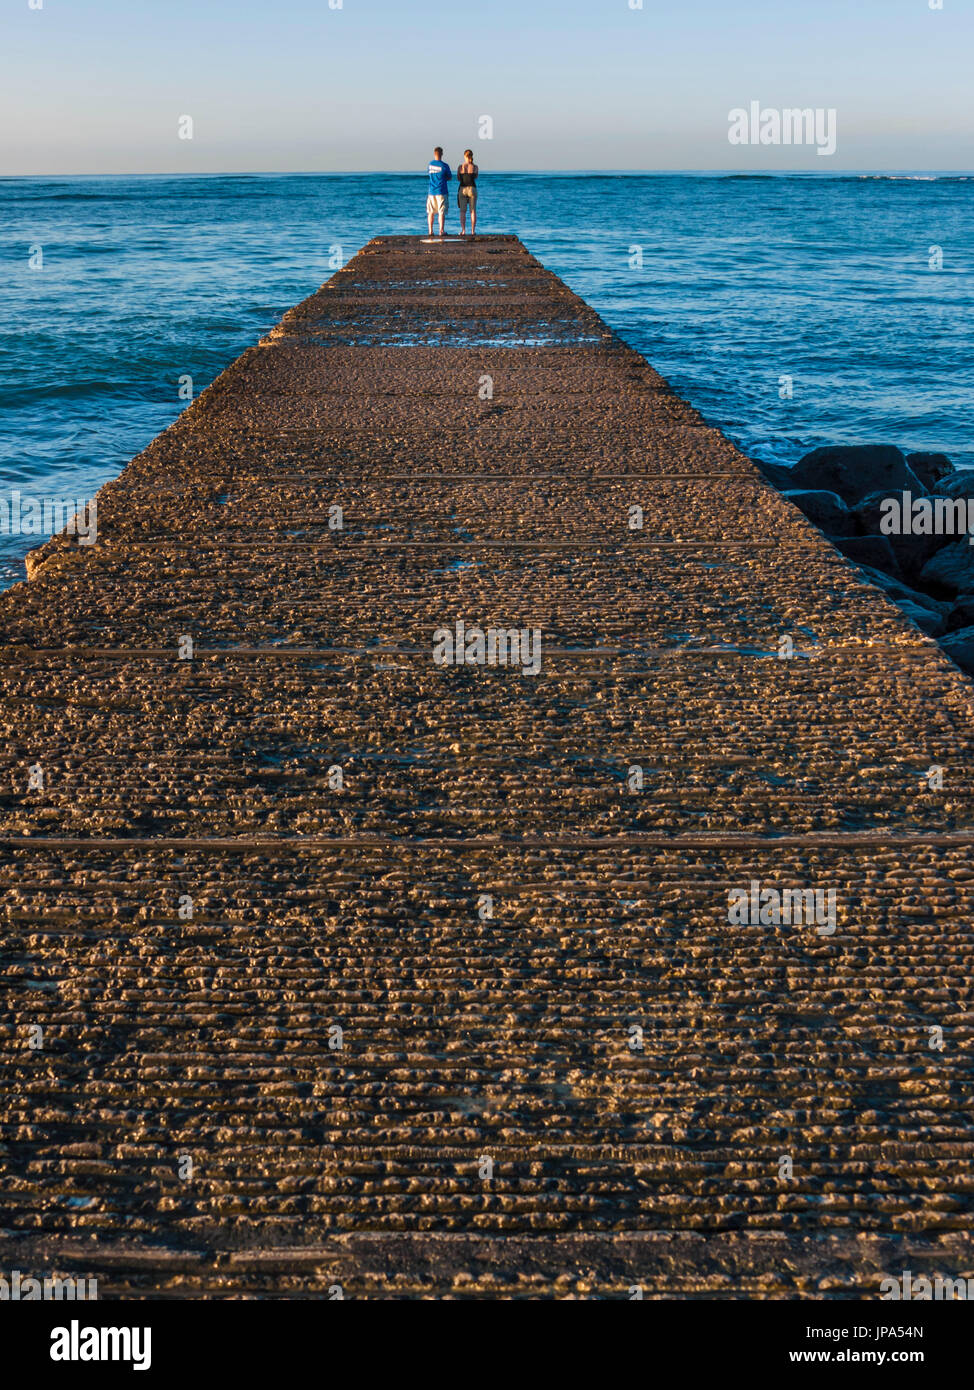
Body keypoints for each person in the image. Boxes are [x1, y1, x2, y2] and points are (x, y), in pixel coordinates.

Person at [426, 146, 451, 239]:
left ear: (434, 154)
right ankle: (441, 230)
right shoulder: (444, 166)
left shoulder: (430, 165)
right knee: (441, 212)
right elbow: (449, 177)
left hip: (431, 191)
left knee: (431, 212)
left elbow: (429, 174)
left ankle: (430, 231)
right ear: (442, 154)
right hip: (441, 190)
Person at [456, 150, 479, 236]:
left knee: (462, 212)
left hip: (462, 188)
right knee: (472, 211)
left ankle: (463, 231)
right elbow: (475, 176)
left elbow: (458, 178)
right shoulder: (475, 167)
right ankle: (473, 231)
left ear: (465, 156)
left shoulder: (460, 167)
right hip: (472, 188)